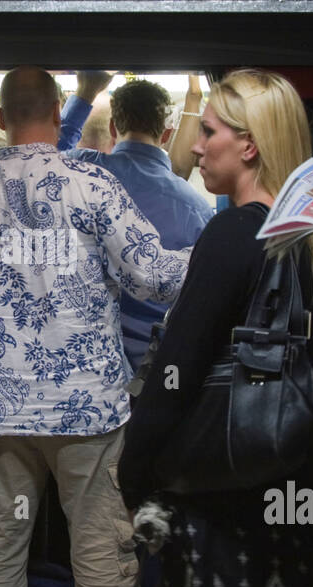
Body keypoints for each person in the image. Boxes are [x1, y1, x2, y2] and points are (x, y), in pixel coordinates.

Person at [0, 66, 192, 587]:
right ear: (54, 110)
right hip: (89, 410)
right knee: (103, 558)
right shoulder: (91, 184)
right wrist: (225, 244)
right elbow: (151, 276)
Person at [118, 69, 313, 587]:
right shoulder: (312, 241)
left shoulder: (232, 233)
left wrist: (134, 476)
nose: (194, 146)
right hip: (297, 510)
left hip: (224, 516)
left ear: (248, 145)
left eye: (209, 131)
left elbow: (175, 372)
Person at [66, 79, 214, 372]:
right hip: (154, 371)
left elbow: (36, 159)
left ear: (112, 129)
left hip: (83, 366)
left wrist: (85, 92)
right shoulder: (196, 208)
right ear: (167, 133)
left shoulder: (81, 172)